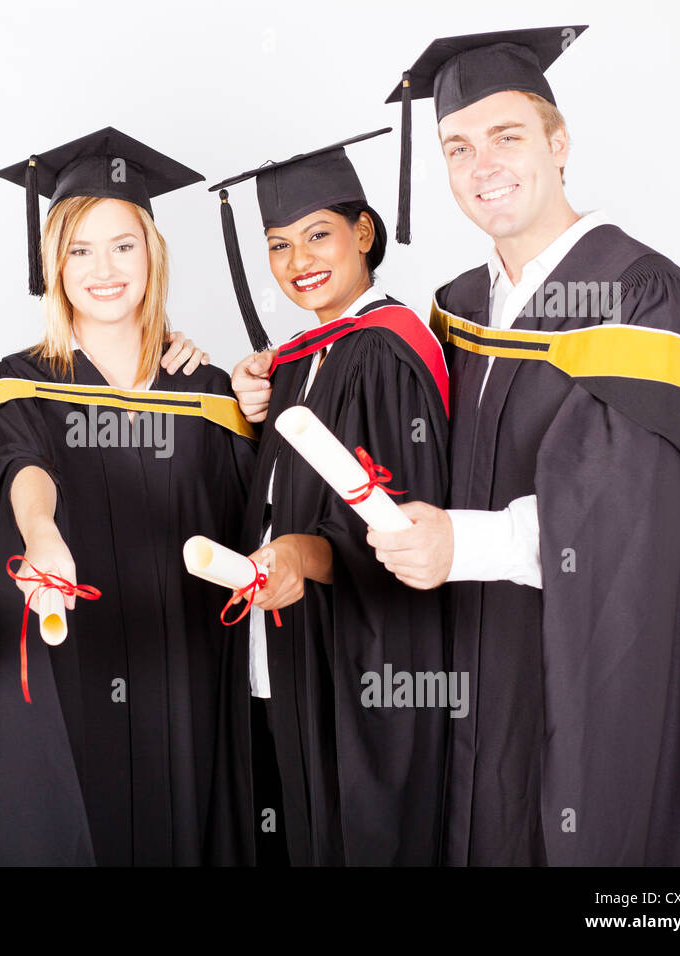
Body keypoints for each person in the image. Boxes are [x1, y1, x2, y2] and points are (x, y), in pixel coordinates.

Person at [369, 26, 680, 865]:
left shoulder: (644, 291)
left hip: (588, 657)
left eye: (506, 136)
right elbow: (400, 444)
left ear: (558, 144)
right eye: (457, 147)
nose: (481, 164)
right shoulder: (454, 307)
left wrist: (464, 542)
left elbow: (628, 497)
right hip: (463, 662)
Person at [0, 127, 256, 865]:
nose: (104, 270)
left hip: (186, 676)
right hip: (77, 672)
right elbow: (17, 464)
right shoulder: (19, 383)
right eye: (80, 250)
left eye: (123, 246)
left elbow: (252, 513)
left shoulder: (207, 391)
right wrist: (41, 532)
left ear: (151, 254)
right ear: (53, 266)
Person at [211, 129, 450, 865]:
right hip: (287, 654)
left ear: (364, 232)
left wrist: (297, 556)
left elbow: (398, 522)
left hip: (365, 661)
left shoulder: (383, 349)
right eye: (278, 246)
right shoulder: (302, 357)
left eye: (317, 235)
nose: (298, 262)